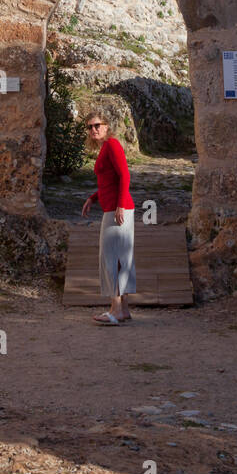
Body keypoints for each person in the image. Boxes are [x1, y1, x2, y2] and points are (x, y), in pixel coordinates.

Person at [81, 112, 136, 325]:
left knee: (110, 258)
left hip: (117, 210)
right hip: (114, 207)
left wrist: (120, 205)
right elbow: (109, 181)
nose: (93, 129)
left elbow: (124, 175)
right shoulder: (105, 147)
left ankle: (115, 309)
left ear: (106, 126)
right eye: (89, 127)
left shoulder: (112, 144)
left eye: (97, 125)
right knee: (121, 258)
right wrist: (93, 198)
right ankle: (124, 309)